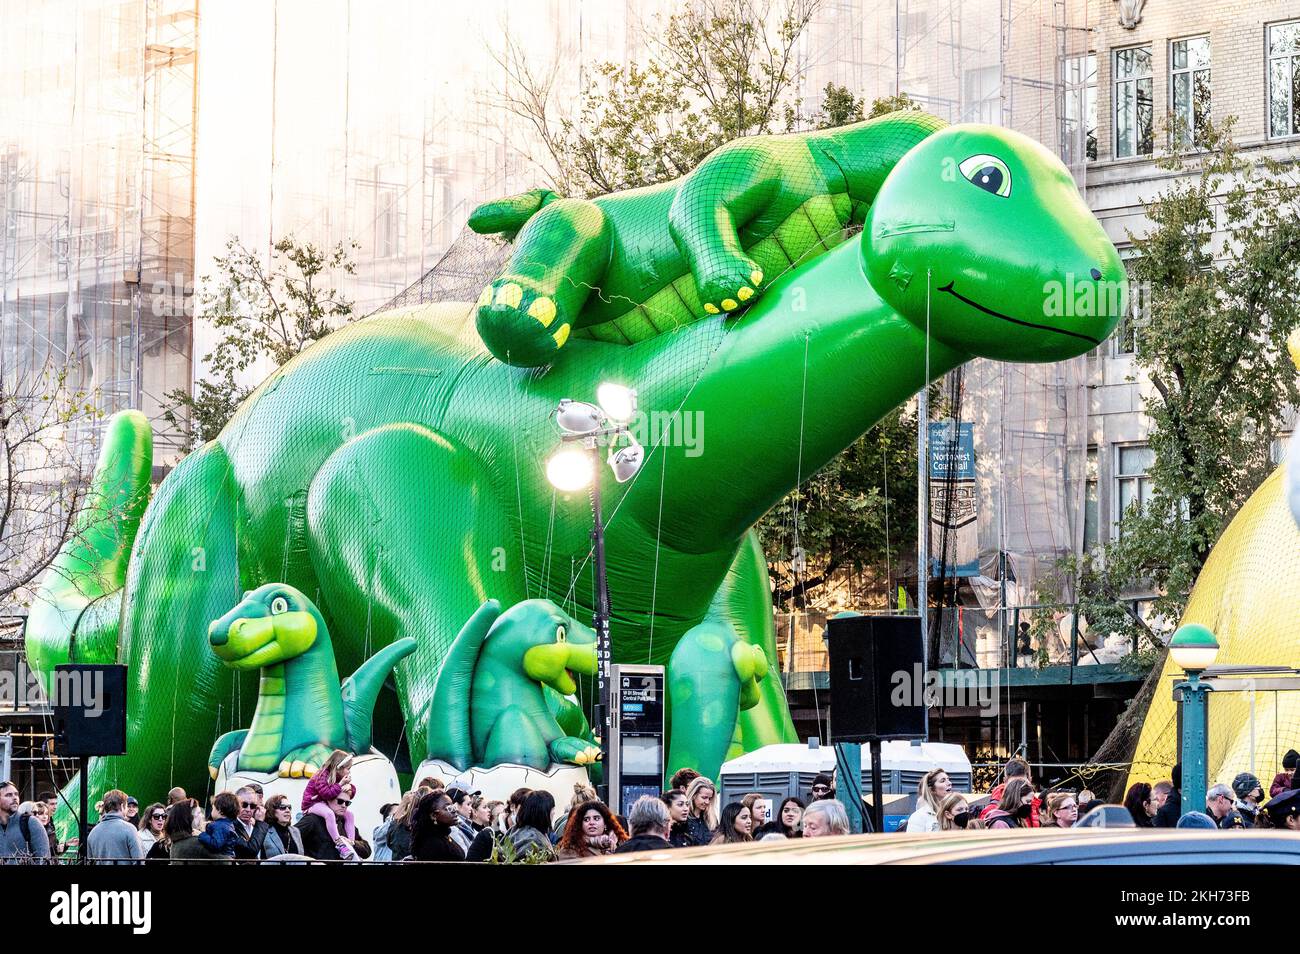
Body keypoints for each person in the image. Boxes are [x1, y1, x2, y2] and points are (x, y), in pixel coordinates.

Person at [300, 750, 359, 859]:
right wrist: (340, 784)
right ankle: (340, 844)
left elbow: (347, 794)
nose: (349, 772)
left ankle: (350, 844)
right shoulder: (321, 774)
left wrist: (351, 788)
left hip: (323, 802)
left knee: (349, 814)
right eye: (348, 769)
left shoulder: (339, 776)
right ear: (339, 767)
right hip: (312, 803)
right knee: (329, 814)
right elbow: (326, 793)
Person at [297, 788, 370, 861]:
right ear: (328, 800)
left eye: (347, 803)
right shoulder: (312, 820)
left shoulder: (346, 824)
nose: (344, 805)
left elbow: (367, 851)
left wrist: (352, 843)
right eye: (340, 801)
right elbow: (290, 838)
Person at [467, 786, 531, 861]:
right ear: (512, 807)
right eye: (525, 808)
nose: (528, 813)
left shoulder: (528, 835)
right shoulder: (488, 835)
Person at [85, 789, 144, 864]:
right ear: (122, 806)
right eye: (127, 805)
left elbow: (89, 862)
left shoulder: (93, 833)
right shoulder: (130, 829)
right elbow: (139, 861)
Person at [557, 800, 627, 859]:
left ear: (605, 823)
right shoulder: (570, 849)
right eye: (586, 819)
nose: (591, 823)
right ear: (580, 824)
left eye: (596, 818)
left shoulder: (617, 844)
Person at [167, 800, 230, 864]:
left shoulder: (176, 841)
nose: (202, 816)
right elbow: (226, 862)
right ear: (189, 818)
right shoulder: (197, 843)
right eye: (198, 813)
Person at [0, 782, 50, 862]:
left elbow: (44, 860)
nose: (15, 798)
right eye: (8, 795)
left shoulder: (31, 823)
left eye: (16, 794)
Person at [410, 791, 466, 861]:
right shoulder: (432, 844)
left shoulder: (444, 836)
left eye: (453, 806)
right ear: (434, 815)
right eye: (449, 808)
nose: (455, 810)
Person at [983, 757, 1039, 827]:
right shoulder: (993, 811)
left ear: (1030, 780)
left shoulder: (1034, 805)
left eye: (1022, 783)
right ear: (1005, 781)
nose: (1018, 787)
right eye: (1014, 783)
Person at [504, 790, 556, 862]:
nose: (554, 812)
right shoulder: (534, 841)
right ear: (543, 811)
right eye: (552, 808)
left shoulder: (515, 829)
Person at [906, 767, 953, 832]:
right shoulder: (918, 817)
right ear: (931, 790)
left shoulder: (954, 812)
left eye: (948, 779)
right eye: (943, 781)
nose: (950, 783)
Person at [197, 791, 243, 857]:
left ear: (220, 811)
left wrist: (201, 834)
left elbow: (215, 844)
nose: (211, 811)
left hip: (222, 860)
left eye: (213, 808)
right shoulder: (228, 824)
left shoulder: (220, 826)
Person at [445, 781, 481, 854]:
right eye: (470, 795)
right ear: (455, 804)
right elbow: (465, 855)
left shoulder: (466, 824)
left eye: (473, 797)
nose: (472, 800)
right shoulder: (454, 827)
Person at [684, 776, 718, 846]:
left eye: (710, 798)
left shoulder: (711, 818)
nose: (707, 802)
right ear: (693, 795)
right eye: (704, 797)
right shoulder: (683, 817)